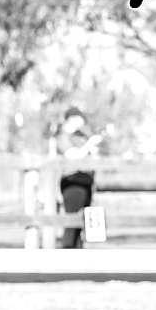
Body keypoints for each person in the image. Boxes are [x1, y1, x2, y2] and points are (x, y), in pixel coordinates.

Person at [55, 106, 103, 248]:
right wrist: (89, 144)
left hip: (85, 182)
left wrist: (93, 149)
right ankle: (67, 255)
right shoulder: (62, 136)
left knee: (81, 223)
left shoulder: (80, 137)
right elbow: (72, 156)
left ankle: (78, 256)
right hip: (73, 182)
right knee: (71, 222)